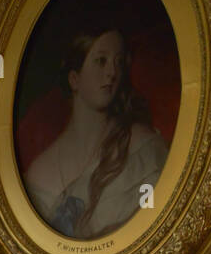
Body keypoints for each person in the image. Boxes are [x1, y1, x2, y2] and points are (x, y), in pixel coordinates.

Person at [23, 22, 169, 239]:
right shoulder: (38, 174)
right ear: (74, 79)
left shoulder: (143, 148)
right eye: (101, 61)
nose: (112, 72)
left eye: (118, 62)